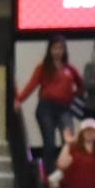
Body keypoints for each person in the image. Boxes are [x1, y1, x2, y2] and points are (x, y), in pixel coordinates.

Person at [15, 36, 82, 167]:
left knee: (68, 141)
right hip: (46, 108)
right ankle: (50, 174)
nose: (58, 51)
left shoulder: (70, 69)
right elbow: (31, 85)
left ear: (65, 50)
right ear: (50, 50)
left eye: (61, 48)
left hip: (64, 108)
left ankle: (67, 173)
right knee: (49, 142)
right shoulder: (42, 68)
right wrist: (19, 100)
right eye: (55, 48)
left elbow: (81, 86)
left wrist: (71, 95)